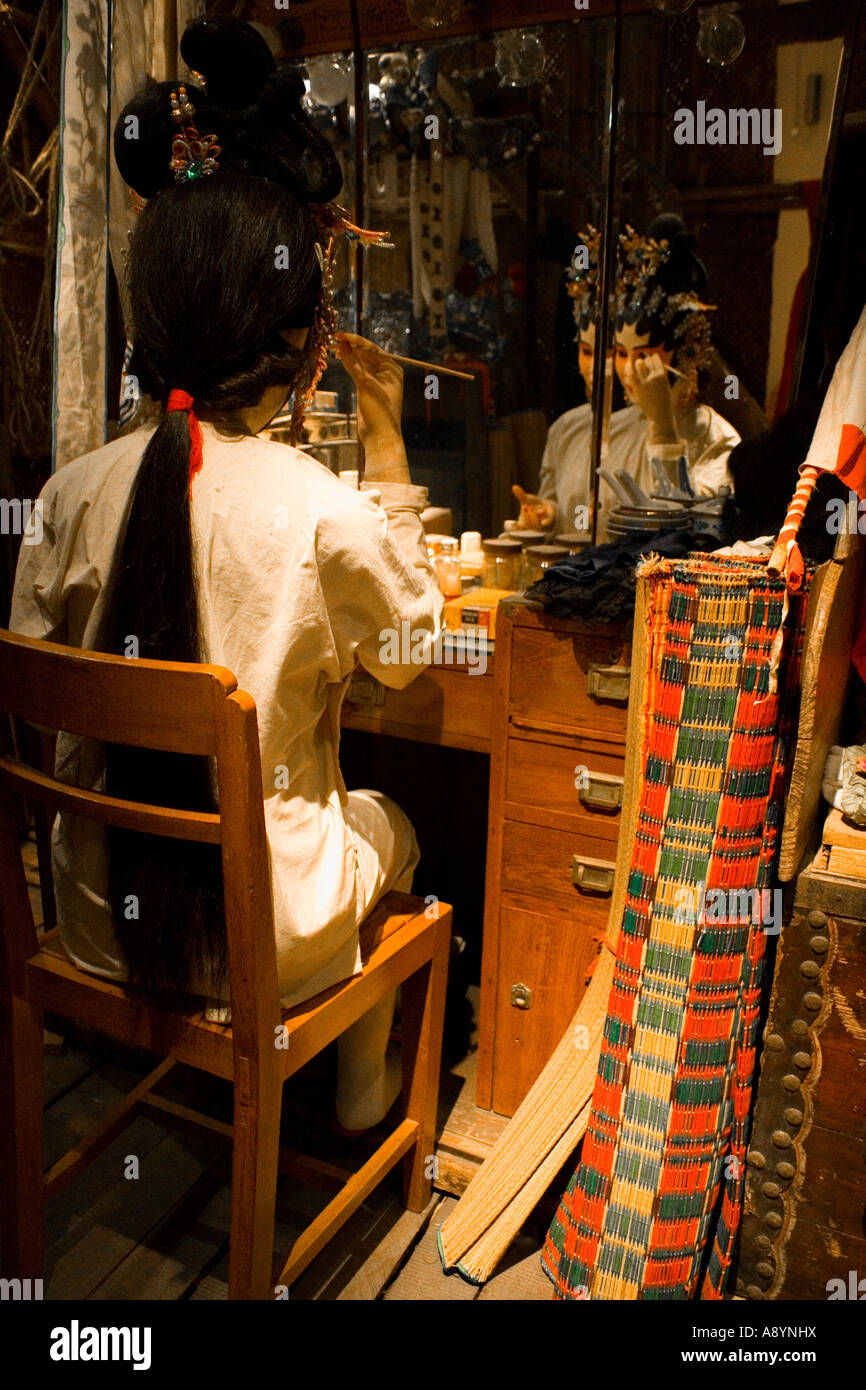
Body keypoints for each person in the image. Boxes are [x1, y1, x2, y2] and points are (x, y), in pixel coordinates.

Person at [10, 18, 443, 1133]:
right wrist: (387, 444)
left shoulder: (66, 495)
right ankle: (356, 1089)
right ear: (303, 343)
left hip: (97, 910)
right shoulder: (321, 508)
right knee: (394, 820)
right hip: (262, 941)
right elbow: (409, 663)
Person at [513, 215, 740, 543]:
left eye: (645, 355)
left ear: (683, 351)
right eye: (621, 354)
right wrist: (548, 514)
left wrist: (663, 428)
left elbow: (687, 534)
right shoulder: (578, 429)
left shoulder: (714, 437)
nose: (631, 370)